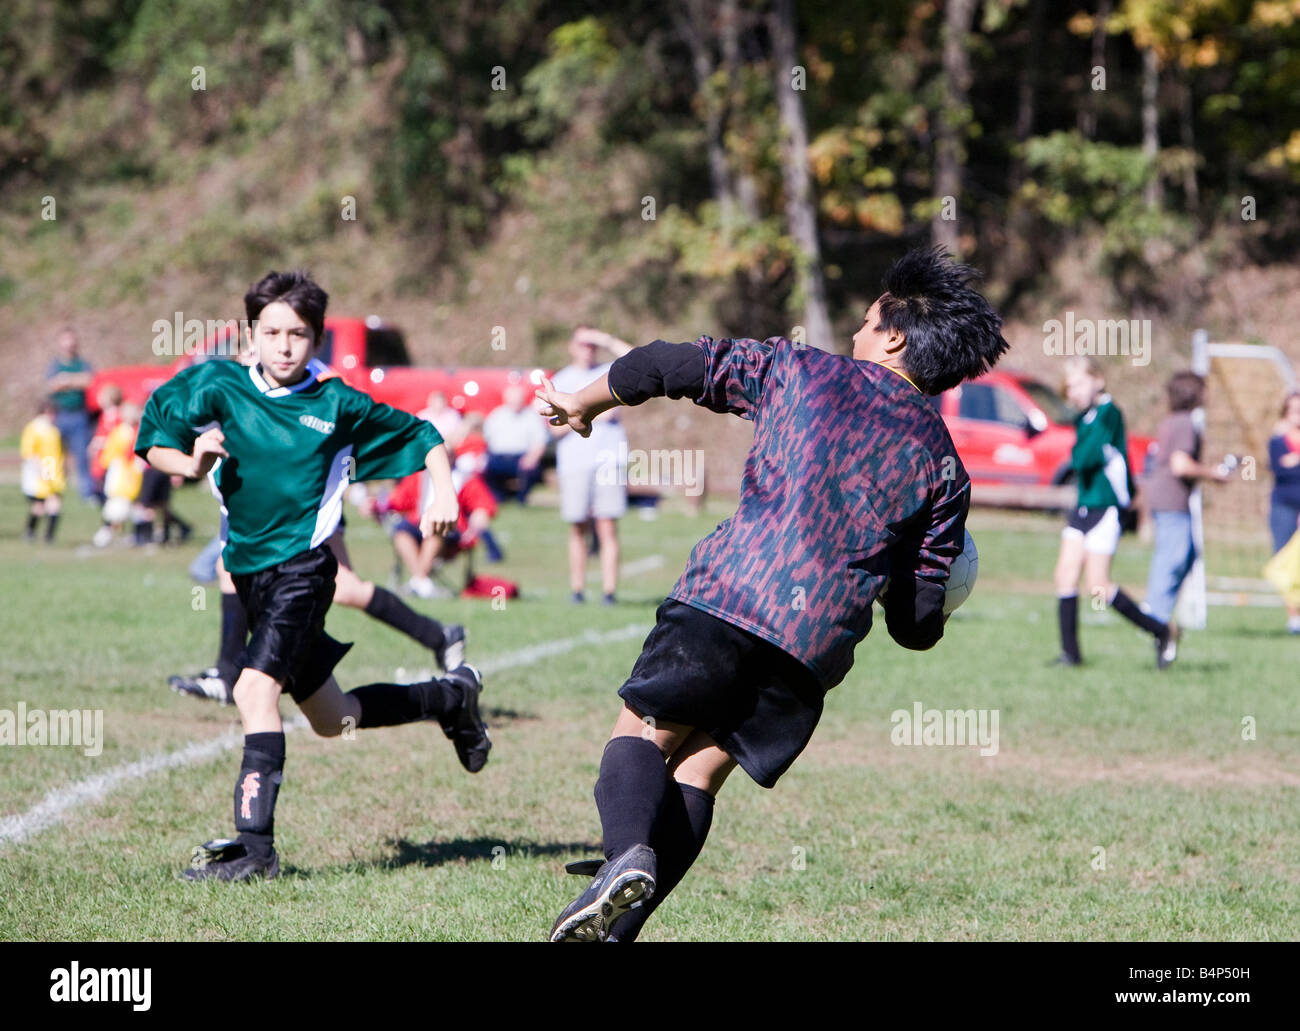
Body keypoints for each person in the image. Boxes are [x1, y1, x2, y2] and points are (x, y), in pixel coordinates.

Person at [536, 247, 1008, 942]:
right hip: (814, 647)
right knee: (699, 773)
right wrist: (910, 584)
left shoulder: (801, 369)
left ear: (895, 337)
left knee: (640, 732)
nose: (855, 332)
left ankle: (626, 855)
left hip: (731, 595)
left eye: (867, 320)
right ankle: (617, 930)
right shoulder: (945, 465)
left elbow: (672, 363)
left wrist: (583, 401)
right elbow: (916, 624)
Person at [137, 270, 490, 881]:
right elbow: (152, 438)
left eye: (297, 334)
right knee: (334, 718)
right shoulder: (218, 384)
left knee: (252, 692)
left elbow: (423, 435)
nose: (284, 346)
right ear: (251, 334)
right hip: (250, 574)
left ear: (317, 339)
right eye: (271, 332)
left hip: (304, 572)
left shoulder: (336, 404)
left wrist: (443, 489)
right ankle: (451, 697)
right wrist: (190, 462)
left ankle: (256, 851)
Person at [1053, 357, 1175, 669]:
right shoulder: (1085, 416)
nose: (1073, 392)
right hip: (1083, 506)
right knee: (1065, 574)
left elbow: (1085, 457)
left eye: (1079, 384)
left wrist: (1079, 453)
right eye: (1069, 387)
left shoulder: (1109, 413)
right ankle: (1071, 654)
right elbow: (1081, 457)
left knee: (1098, 586)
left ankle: (1162, 631)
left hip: (1106, 507)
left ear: (1098, 380)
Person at [1141, 372, 1230, 654]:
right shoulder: (1184, 424)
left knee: (1186, 555)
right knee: (1173, 561)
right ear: (1193, 393)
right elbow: (1180, 465)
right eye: (1204, 389)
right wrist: (1213, 473)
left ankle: (1158, 615)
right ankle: (1156, 621)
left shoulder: (1174, 421)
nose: (1208, 395)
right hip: (1171, 501)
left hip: (1167, 500)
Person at [549, 328, 633, 605]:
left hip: (609, 460)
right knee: (577, 526)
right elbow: (554, 428)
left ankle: (609, 591)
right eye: (583, 344)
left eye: (592, 345)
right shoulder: (561, 379)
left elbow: (639, 360)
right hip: (575, 462)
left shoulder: (609, 372)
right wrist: (590, 414)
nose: (588, 349)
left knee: (607, 526)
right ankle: (577, 590)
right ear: (571, 346)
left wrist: (605, 339)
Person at [45, 328, 95, 502]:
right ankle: (49, 490)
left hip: (79, 415)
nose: (69, 344)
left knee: (82, 456)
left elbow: (90, 380)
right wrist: (73, 381)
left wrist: (67, 379)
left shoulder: (82, 364)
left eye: (71, 340)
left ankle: (87, 493)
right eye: (65, 340)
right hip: (59, 415)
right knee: (52, 454)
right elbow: (51, 385)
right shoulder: (54, 366)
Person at [1267, 390, 1300, 632]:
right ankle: (1294, 616)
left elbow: (1291, 467)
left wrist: (1294, 460)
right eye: (1294, 410)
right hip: (1284, 507)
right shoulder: (1277, 441)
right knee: (1285, 561)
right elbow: (1281, 471)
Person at [483, 384, 548, 503]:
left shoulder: (532, 416)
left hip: (521, 457)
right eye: (512, 400)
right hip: (498, 457)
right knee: (485, 468)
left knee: (530, 470)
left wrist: (532, 458)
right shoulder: (497, 415)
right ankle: (498, 498)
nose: (515, 403)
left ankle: (521, 500)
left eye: (517, 400)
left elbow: (540, 442)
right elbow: (485, 438)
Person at [20, 399, 65, 543]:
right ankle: (30, 532)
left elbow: (59, 452)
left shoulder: (54, 430)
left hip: (53, 472)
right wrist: (39, 469)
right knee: (39, 506)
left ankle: (49, 537)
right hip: (39, 472)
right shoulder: (34, 428)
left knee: (54, 504)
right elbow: (28, 452)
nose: (52, 416)